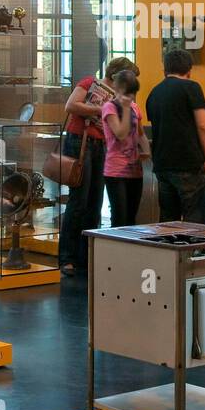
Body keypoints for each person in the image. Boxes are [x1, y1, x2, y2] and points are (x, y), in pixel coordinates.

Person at [58, 56, 139, 276]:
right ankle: (68, 256)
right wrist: (102, 109)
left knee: (95, 201)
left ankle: (87, 255)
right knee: (79, 200)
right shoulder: (88, 83)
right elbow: (71, 105)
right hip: (81, 143)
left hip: (102, 145)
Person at [145, 48, 205, 224]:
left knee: (168, 220)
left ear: (164, 70)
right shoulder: (191, 87)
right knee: (196, 221)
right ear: (189, 70)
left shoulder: (154, 93)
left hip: (162, 165)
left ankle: (170, 252)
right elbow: (202, 125)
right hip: (189, 164)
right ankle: (193, 252)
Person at [101, 69, 146, 228]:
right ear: (119, 90)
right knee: (120, 216)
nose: (132, 97)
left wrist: (146, 151)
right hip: (116, 170)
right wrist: (126, 109)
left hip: (135, 169)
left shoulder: (134, 107)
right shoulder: (109, 107)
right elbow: (120, 133)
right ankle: (115, 251)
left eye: (134, 93)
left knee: (131, 218)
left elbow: (140, 134)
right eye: (129, 92)